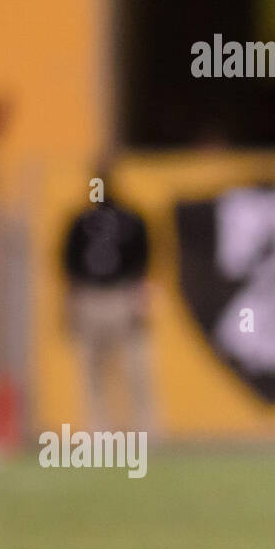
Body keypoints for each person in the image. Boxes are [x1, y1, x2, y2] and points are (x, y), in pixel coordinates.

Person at [62, 170, 155, 435]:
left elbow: (143, 260)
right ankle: (96, 430)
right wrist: (71, 303)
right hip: (90, 296)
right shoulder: (80, 222)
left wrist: (140, 297)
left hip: (123, 294)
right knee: (91, 368)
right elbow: (69, 264)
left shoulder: (130, 219)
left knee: (135, 367)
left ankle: (145, 431)